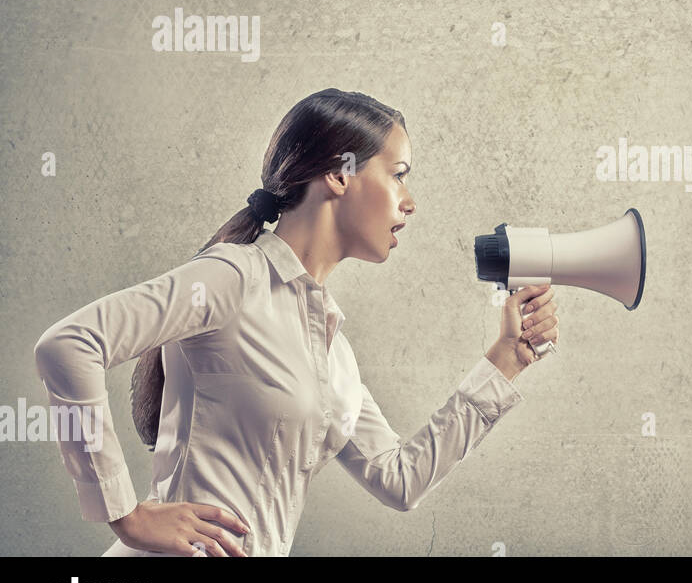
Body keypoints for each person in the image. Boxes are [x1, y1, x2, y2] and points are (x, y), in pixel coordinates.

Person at [33, 88, 558, 557]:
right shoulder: (233, 276)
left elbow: (400, 479)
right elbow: (69, 345)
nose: (410, 202)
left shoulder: (332, 352)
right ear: (338, 174)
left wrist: (506, 360)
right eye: (398, 175)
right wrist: (126, 515)